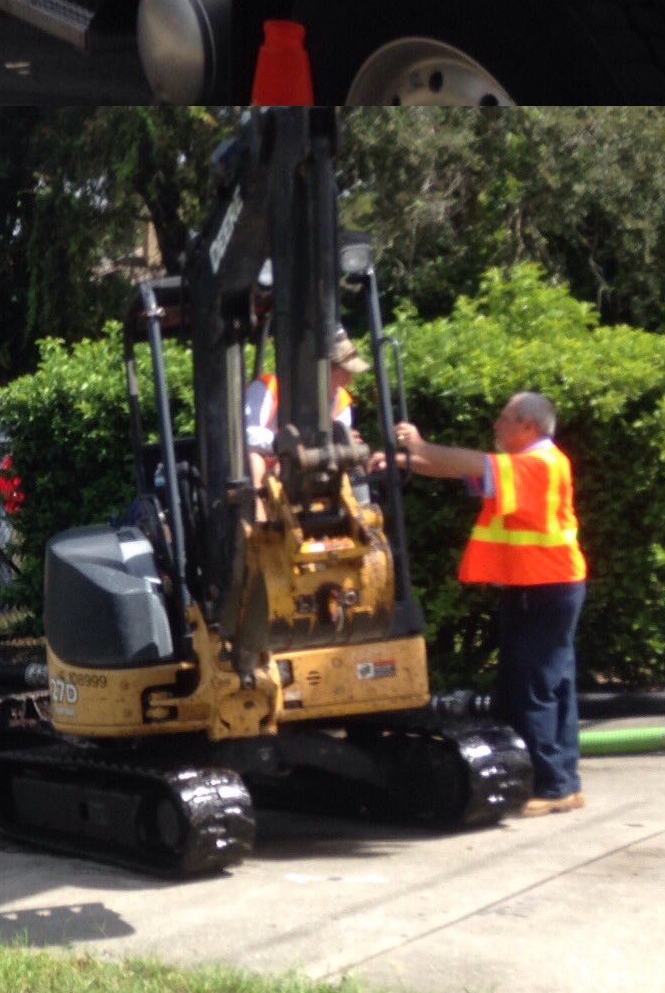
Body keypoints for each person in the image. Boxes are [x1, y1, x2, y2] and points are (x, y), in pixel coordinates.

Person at [372, 390, 587, 817]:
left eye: (504, 418)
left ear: (528, 426)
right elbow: (462, 471)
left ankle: (553, 785)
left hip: (542, 587)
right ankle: (562, 782)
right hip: (544, 585)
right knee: (550, 683)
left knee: (533, 688)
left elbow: (473, 464)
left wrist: (420, 445)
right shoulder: (530, 463)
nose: (496, 425)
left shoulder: (536, 464)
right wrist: (404, 460)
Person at [246, 328, 367, 486]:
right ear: (323, 370)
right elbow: (248, 434)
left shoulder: (341, 400)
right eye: (345, 371)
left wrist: (345, 444)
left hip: (310, 472)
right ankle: (257, 502)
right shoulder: (266, 388)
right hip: (267, 468)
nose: (349, 379)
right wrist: (284, 445)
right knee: (254, 459)